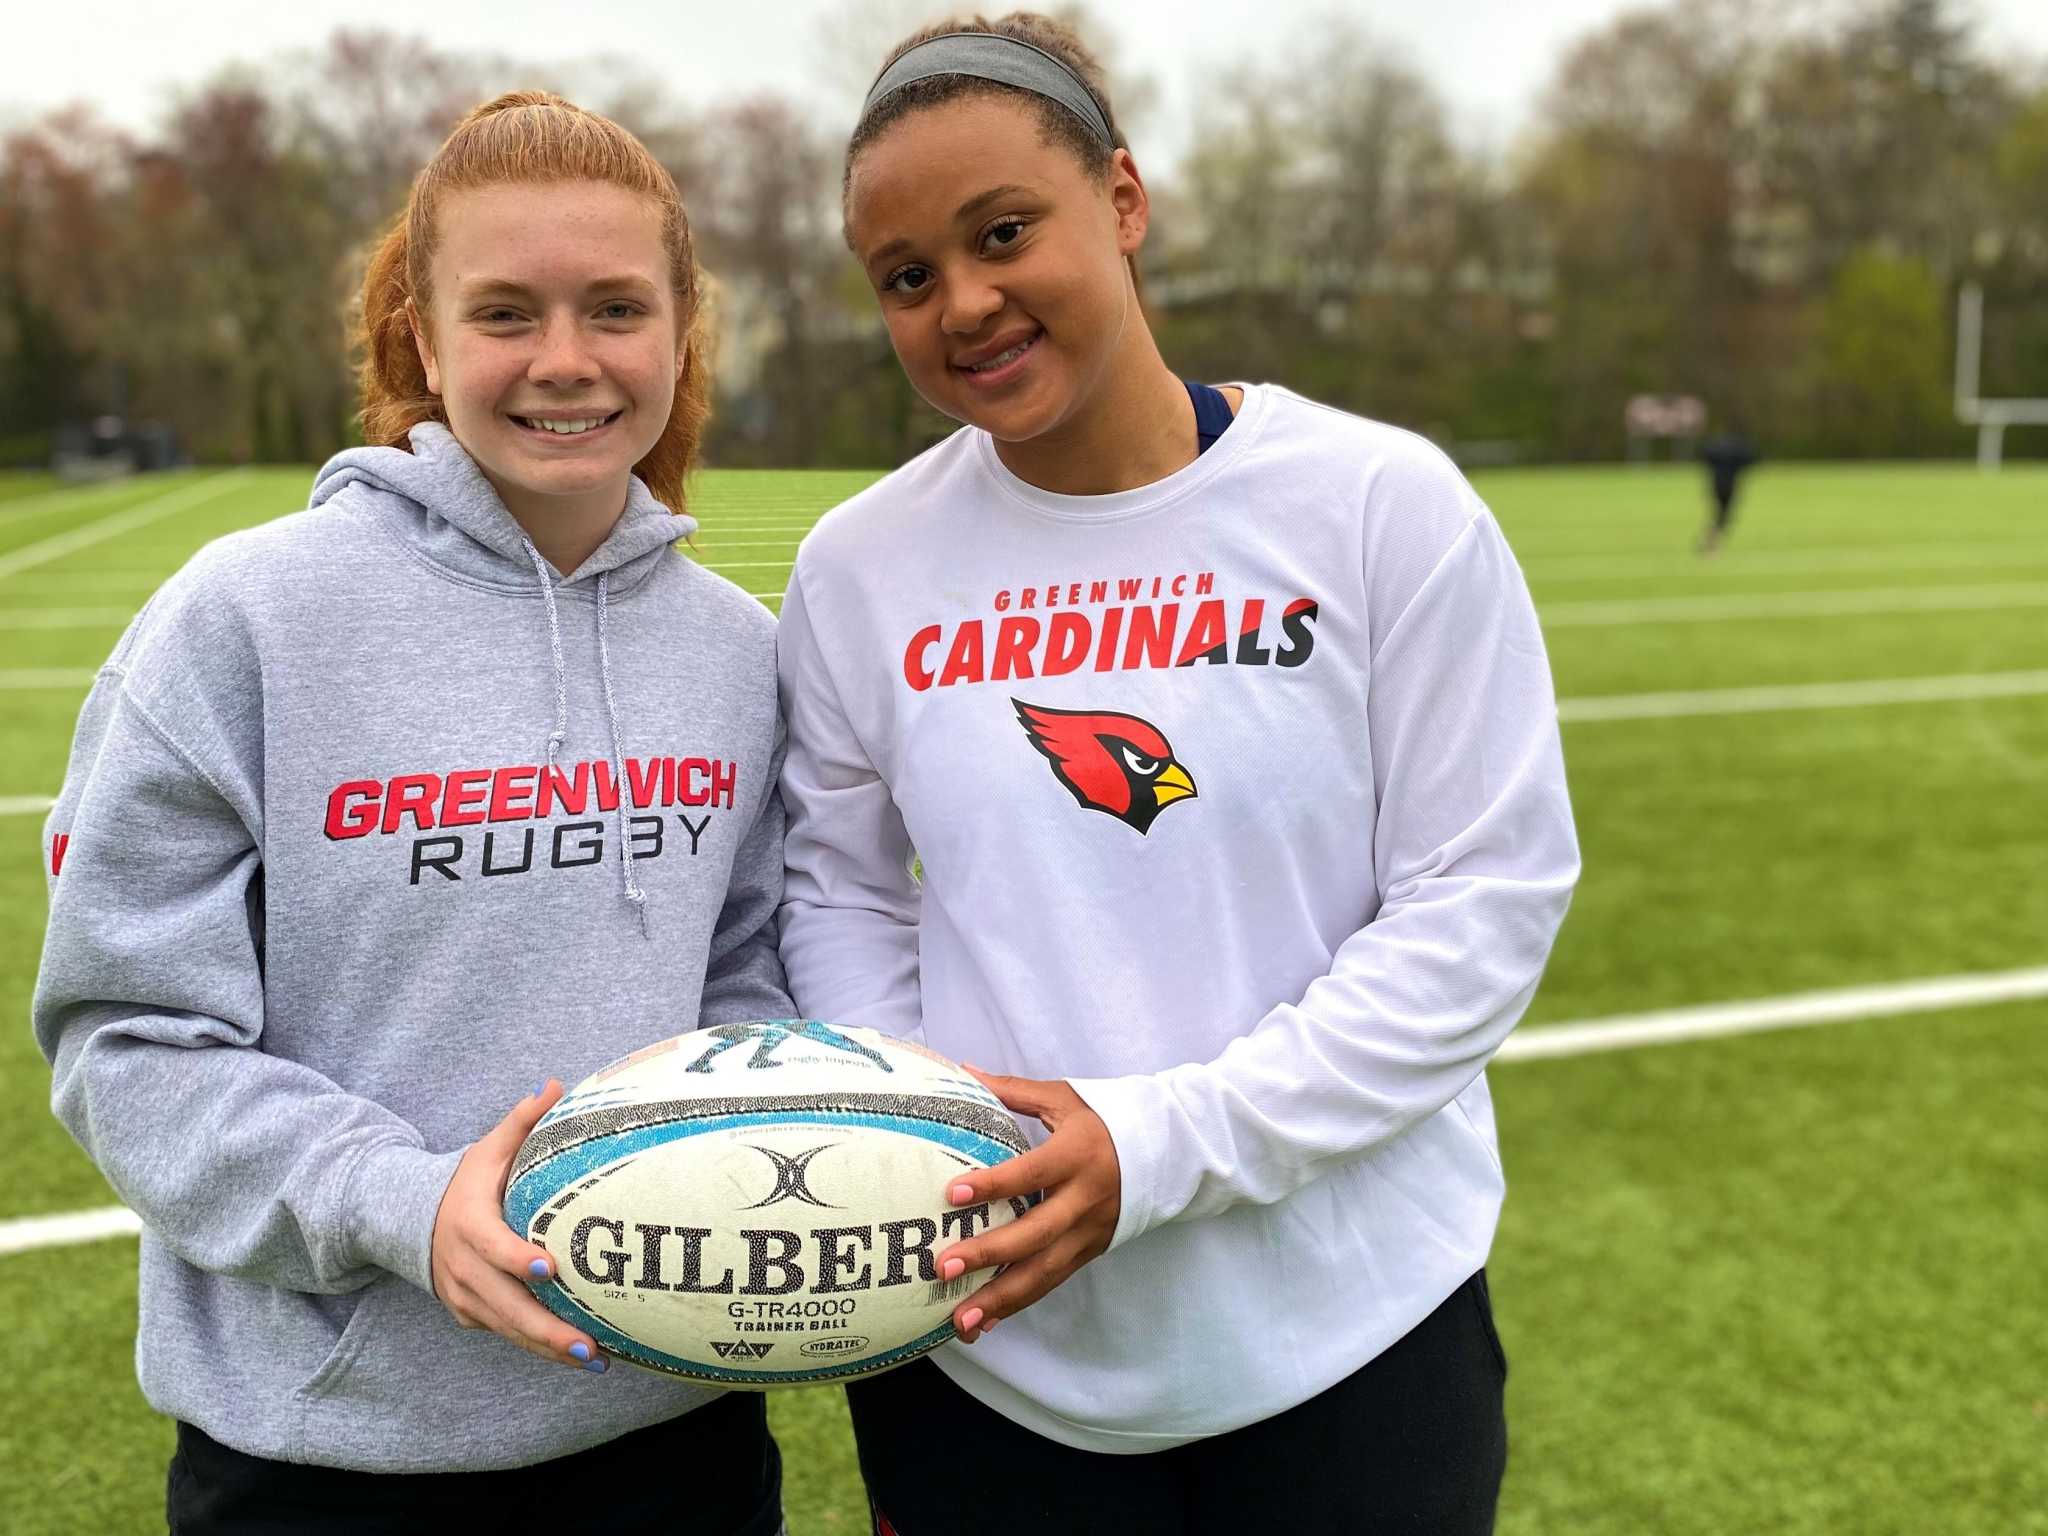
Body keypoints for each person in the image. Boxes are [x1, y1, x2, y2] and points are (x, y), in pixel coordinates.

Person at [776, 14, 1580, 1534]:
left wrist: (1158, 1146)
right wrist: (943, 1135)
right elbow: (831, 887)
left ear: (1126, 202)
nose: (966, 302)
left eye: (1003, 232)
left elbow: (1484, 902)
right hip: (987, 1340)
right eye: (907, 277)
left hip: (1349, 1338)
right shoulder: (858, 567)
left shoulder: (1377, 505)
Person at [33, 92, 789, 1535]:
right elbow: (126, 1041)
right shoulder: (243, 620)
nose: (564, 360)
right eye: (506, 312)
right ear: (423, 339)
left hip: (676, 1426)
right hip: (327, 1463)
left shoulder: (734, 652)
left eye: (615, 308)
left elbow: (745, 980)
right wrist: (401, 1200)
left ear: (682, 332)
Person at [1697, 427, 1760, 554]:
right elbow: (1750, 460)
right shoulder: (1738, 449)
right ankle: (1711, 543)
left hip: (1715, 484)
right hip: (1730, 485)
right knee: (1724, 515)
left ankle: (1711, 541)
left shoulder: (1715, 447)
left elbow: (1705, 456)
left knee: (1720, 514)